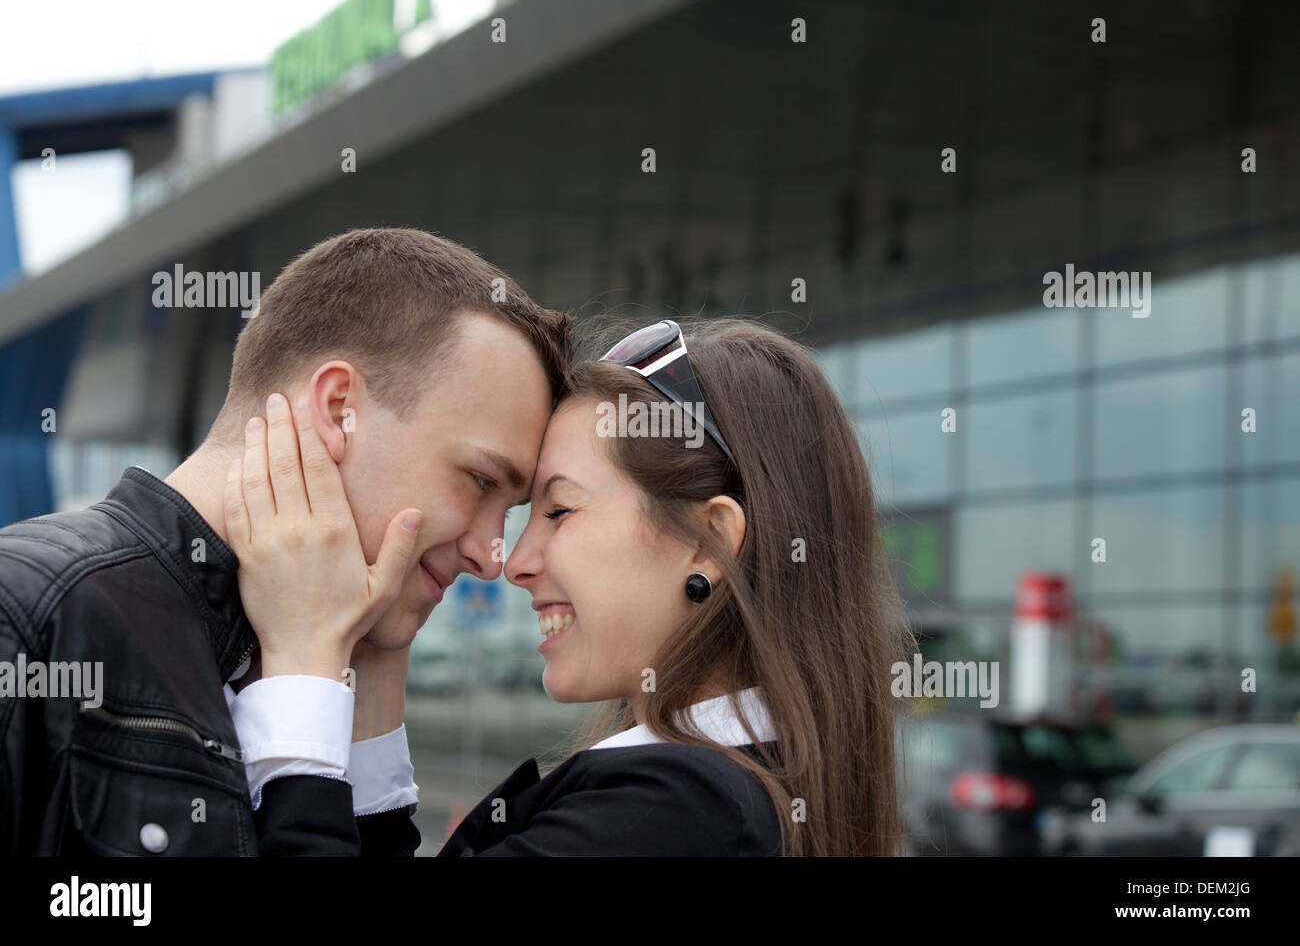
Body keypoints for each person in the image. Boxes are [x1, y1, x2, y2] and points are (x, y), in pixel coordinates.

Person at [226, 317, 919, 855]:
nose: (513, 561)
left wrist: (306, 662)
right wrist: (376, 660)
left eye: (559, 511)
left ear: (709, 541)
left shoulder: (675, 813)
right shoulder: (734, 792)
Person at [0, 228, 573, 855]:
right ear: (336, 409)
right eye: (480, 480)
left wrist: (366, 662)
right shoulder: (29, 612)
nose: (491, 557)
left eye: (510, 508)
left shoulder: (324, 655)